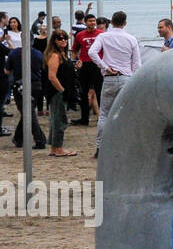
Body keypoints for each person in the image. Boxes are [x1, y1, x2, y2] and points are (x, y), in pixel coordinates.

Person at [89, 11, 141, 159]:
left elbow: (92, 52)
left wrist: (104, 66)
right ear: (125, 23)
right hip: (126, 78)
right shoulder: (131, 39)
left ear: (111, 22)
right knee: (126, 114)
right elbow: (137, 64)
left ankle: (100, 147)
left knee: (104, 114)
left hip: (110, 77)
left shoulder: (103, 36)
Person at [44, 29, 77, 156]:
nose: (63, 40)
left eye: (64, 38)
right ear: (54, 41)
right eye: (59, 38)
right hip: (57, 92)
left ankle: (54, 147)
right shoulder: (55, 56)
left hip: (62, 90)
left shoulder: (63, 54)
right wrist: (61, 90)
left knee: (56, 119)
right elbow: (52, 76)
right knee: (60, 119)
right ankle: (58, 147)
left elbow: (64, 71)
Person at [7, 40, 46, 151]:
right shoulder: (38, 53)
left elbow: (7, 71)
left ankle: (40, 139)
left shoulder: (14, 53)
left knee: (28, 113)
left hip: (20, 85)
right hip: (36, 85)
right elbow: (43, 68)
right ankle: (18, 138)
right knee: (27, 113)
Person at [72, 16, 104, 125]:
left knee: (99, 92)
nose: (92, 23)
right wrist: (75, 61)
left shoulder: (101, 34)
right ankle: (84, 118)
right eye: (90, 21)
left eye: (94, 21)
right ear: (86, 23)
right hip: (84, 64)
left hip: (97, 65)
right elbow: (75, 49)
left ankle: (102, 117)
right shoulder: (80, 35)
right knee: (83, 93)